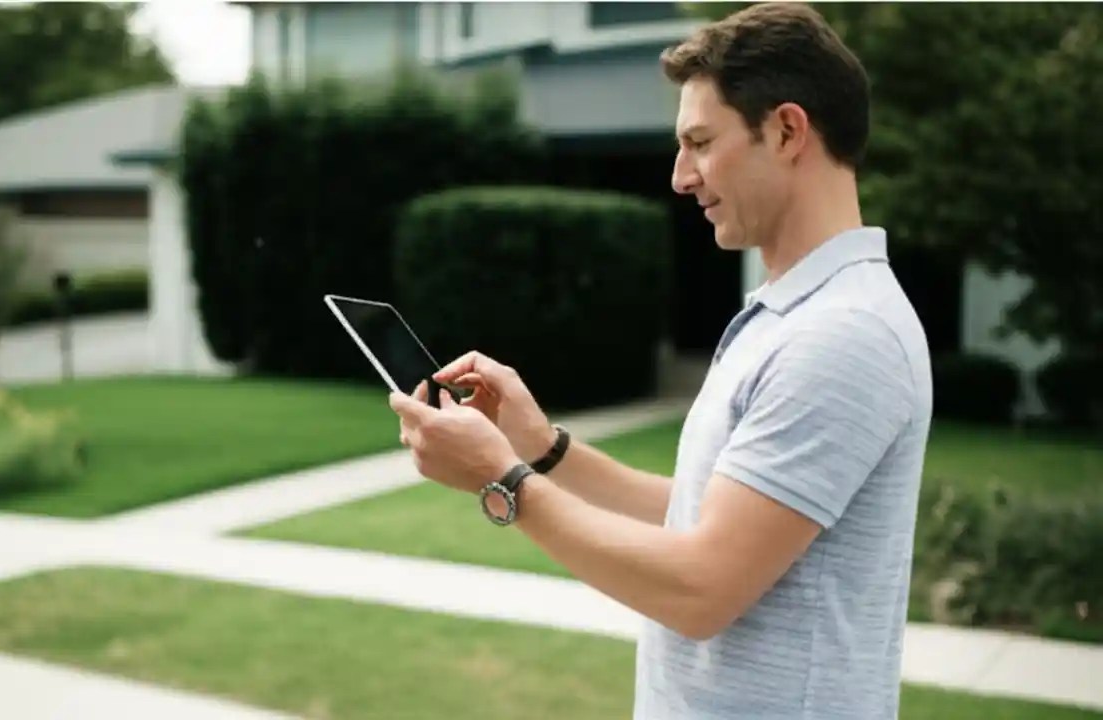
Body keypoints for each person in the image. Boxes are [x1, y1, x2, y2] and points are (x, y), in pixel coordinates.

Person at [389, 2, 933, 718]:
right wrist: (542, 448)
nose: (681, 176)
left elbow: (700, 588)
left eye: (701, 142)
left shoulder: (845, 334)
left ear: (788, 130)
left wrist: (502, 479)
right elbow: (700, 514)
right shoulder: (793, 313)